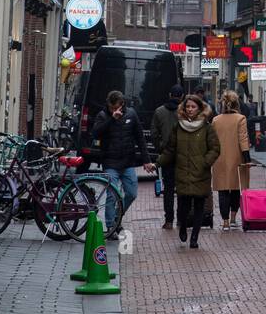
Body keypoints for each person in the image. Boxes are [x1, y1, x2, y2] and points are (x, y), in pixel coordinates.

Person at [158, 93, 221, 248]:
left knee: (199, 206)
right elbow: (170, 150)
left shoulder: (207, 127)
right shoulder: (178, 127)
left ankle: (194, 238)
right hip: (183, 172)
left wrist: (205, 162)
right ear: (184, 108)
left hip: (201, 173)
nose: (190, 109)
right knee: (183, 207)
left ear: (199, 108)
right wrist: (157, 163)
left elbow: (215, 148)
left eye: (193, 107)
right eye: (188, 106)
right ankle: (184, 227)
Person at [91, 90, 156, 238]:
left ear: (122, 104)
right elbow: (95, 133)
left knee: (132, 193)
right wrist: (111, 119)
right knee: (111, 195)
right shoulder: (102, 115)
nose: (114, 110)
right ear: (108, 105)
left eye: (117, 108)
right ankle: (111, 226)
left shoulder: (131, 114)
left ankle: (116, 216)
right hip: (110, 162)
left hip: (127, 162)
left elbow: (140, 138)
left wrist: (146, 160)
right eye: (112, 108)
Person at [212, 90, 251, 230]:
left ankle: (225, 221)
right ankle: (233, 219)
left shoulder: (215, 120)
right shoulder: (240, 119)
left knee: (223, 190)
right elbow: (243, 139)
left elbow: (212, 141)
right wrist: (247, 159)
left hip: (219, 159)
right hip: (237, 159)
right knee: (236, 189)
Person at [151, 84, 184, 230]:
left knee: (169, 189)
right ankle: (181, 220)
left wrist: (160, 148)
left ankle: (169, 219)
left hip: (166, 155)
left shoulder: (159, 111)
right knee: (183, 189)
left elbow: (154, 133)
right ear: (181, 96)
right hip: (183, 155)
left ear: (170, 95)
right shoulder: (186, 112)